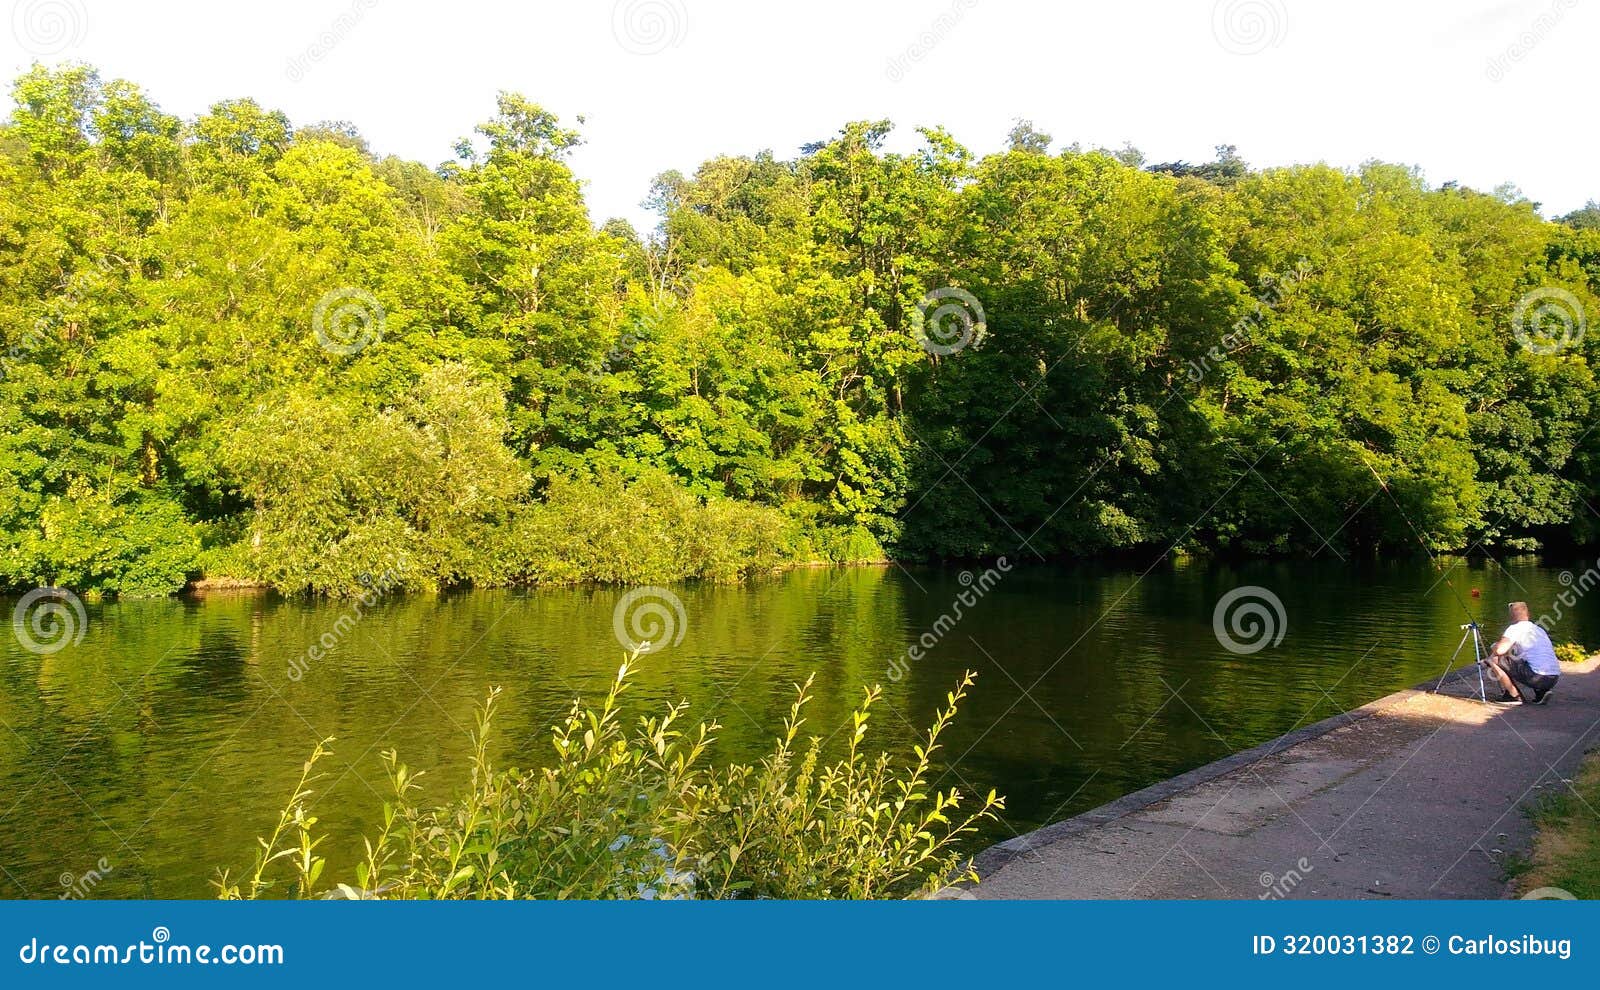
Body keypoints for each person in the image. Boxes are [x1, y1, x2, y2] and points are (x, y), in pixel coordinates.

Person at [1484, 602, 1561, 705]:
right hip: (1554, 677)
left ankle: (1513, 696)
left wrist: (1494, 646)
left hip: (1538, 677)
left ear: (1511, 616)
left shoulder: (1514, 628)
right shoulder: (1538, 629)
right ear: (1528, 615)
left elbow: (1499, 651)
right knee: (1530, 659)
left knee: (1494, 660)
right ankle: (1541, 693)